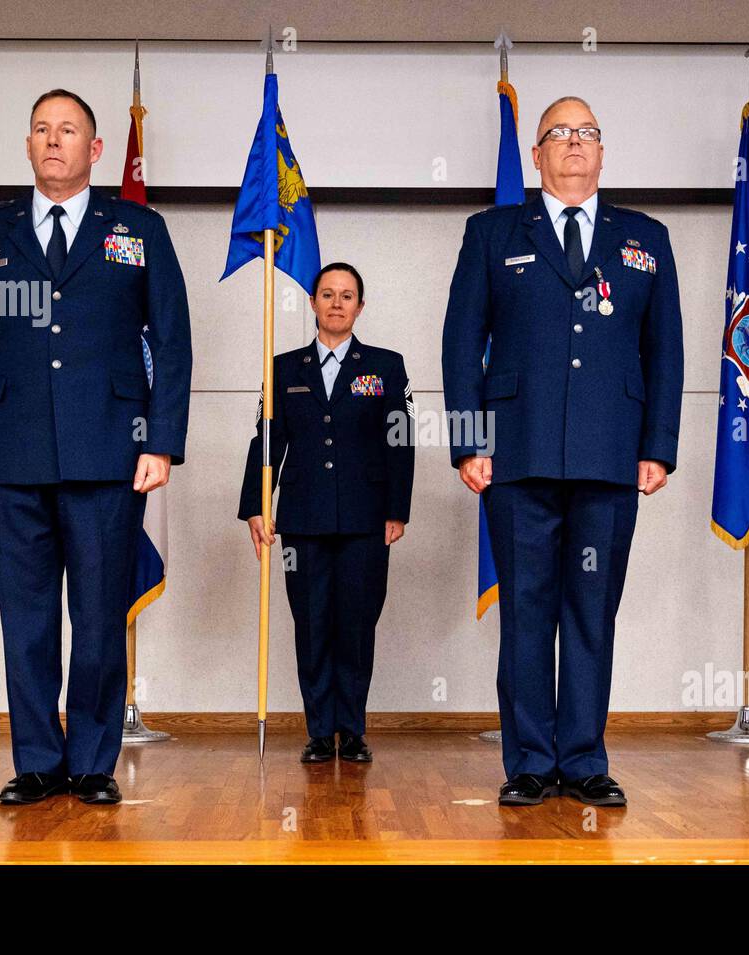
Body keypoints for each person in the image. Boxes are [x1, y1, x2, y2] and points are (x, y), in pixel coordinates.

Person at [0, 89, 192, 805]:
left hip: (111, 451)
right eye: (42, 130)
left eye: (70, 130)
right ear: (27, 145)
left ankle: (90, 762)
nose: (54, 141)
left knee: (96, 618)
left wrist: (163, 441)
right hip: (12, 452)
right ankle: (37, 762)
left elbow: (172, 343)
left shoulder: (138, 228)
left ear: (96, 149)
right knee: (24, 618)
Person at [441, 96, 685, 807]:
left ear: (602, 153)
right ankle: (528, 762)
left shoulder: (645, 237)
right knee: (525, 608)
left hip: (612, 455)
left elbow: (663, 350)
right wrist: (468, 440)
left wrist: (658, 446)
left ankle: (582, 758)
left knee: (590, 609)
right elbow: (462, 343)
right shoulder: (491, 233)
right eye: (558, 134)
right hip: (515, 454)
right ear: (536, 156)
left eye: (587, 133)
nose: (574, 143)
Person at [239, 263, 415, 764]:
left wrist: (397, 508)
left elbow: (400, 439)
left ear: (361, 306)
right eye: (327, 294)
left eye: (347, 295)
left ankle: (352, 729)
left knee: (357, 623)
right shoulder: (283, 368)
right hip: (303, 518)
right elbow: (267, 441)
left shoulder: (386, 366)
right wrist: (257, 503)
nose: (337, 303)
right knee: (312, 623)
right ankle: (320, 730)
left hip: (367, 517)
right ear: (313, 303)